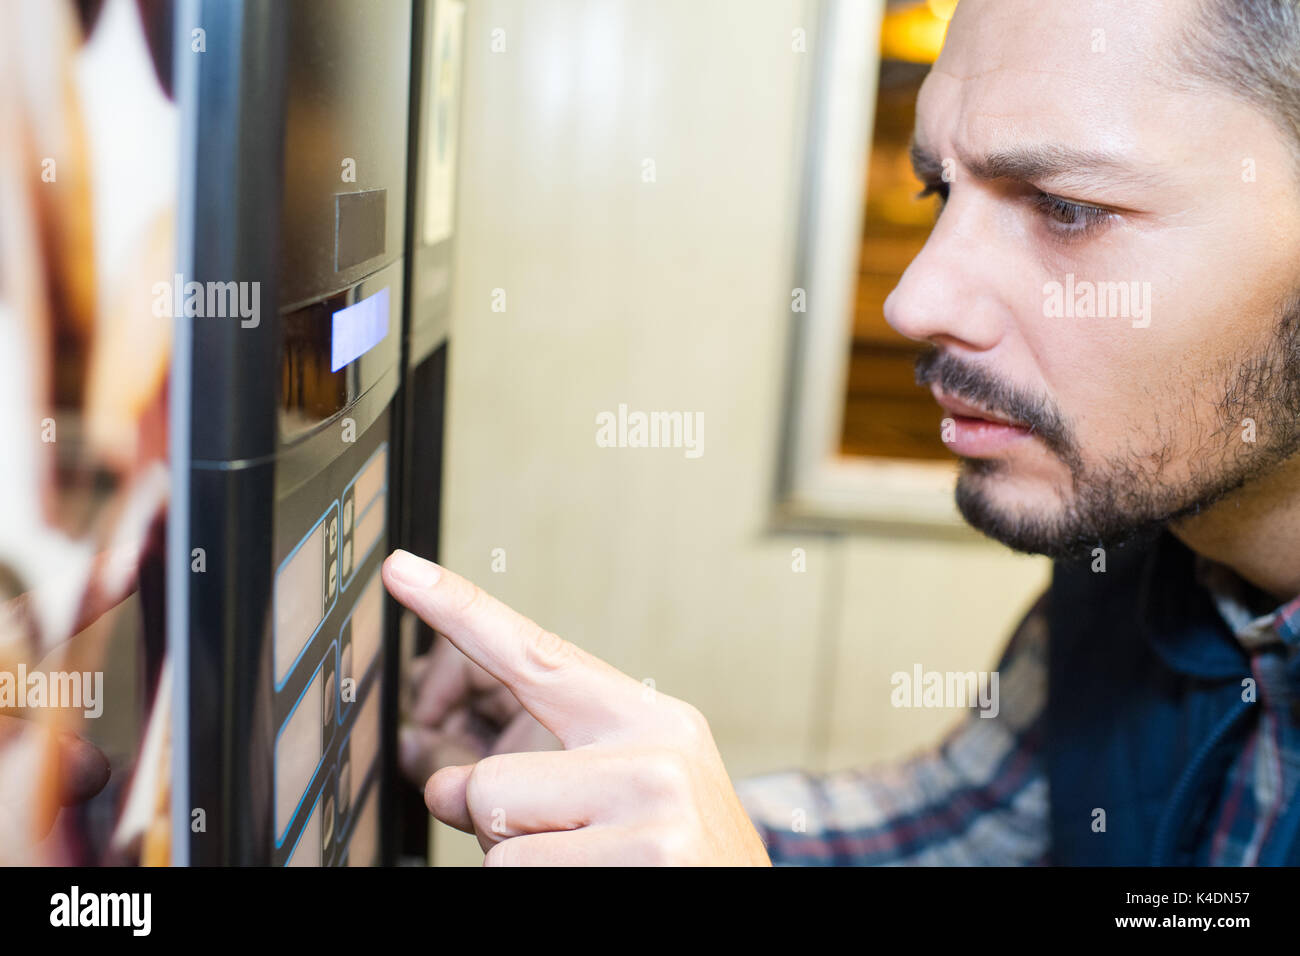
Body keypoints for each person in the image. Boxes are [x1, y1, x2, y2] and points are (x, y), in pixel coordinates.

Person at [386, 0, 1300, 865]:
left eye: (1066, 207)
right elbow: (964, 827)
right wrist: (618, 797)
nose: (915, 301)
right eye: (938, 189)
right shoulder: (1133, 561)